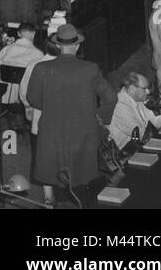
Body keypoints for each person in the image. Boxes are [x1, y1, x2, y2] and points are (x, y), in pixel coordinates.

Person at [24, 23, 116, 205]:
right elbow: (111, 98)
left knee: (55, 172)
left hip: (52, 132)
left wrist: (54, 105)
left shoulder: (41, 68)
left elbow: (32, 99)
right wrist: (100, 118)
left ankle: (54, 200)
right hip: (83, 133)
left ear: (57, 45)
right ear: (78, 45)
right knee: (83, 177)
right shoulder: (90, 68)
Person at [0, 22, 47, 111]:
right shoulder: (38, 54)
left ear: (18, 34)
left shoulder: (6, 49)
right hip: (26, 98)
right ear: (34, 34)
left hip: (5, 95)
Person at [108, 73, 161, 148]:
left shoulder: (136, 99)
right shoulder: (120, 106)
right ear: (132, 89)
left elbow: (153, 120)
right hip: (129, 152)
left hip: (142, 143)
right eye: (144, 88)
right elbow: (141, 135)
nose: (148, 92)